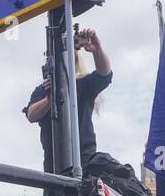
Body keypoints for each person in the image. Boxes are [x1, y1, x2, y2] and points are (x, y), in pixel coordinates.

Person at [24, 28, 112, 174]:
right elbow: (31, 115)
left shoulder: (82, 84)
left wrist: (97, 50)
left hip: (84, 161)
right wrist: (50, 99)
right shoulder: (43, 89)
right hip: (54, 164)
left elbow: (104, 74)